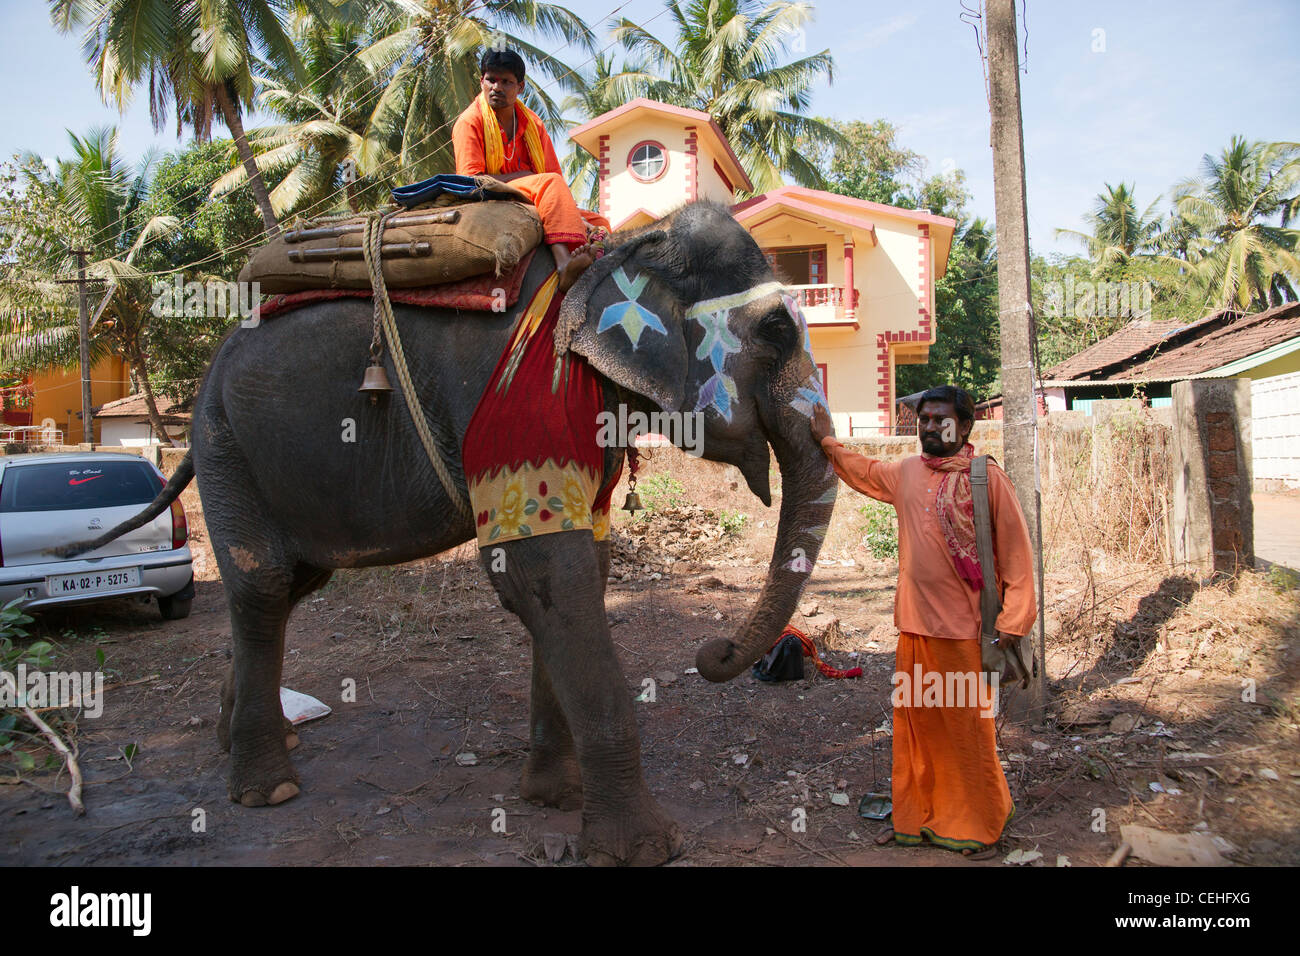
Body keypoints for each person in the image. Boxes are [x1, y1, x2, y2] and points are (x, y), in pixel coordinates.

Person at [810, 386, 1037, 859]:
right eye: (924, 420)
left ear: (966, 426)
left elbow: (1017, 555)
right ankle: (916, 820)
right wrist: (829, 442)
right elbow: (866, 472)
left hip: (965, 635)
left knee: (966, 736)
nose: (930, 427)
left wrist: (1014, 622)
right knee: (916, 731)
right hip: (914, 629)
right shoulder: (908, 473)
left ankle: (980, 826)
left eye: (940, 419)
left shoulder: (986, 478)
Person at [452, 48, 610, 292]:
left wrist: (577, 217)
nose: (497, 87)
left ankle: (595, 265)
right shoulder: (469, 121)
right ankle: (563, 263)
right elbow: (470, 180)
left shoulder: (533, 124)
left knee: (599, 221)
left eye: (506, 81)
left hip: (537, 196)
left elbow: (552, 172)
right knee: (550, 184)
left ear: (520, 87)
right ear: (481, 81)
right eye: (491, 79)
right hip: (493, 196)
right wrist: (523, 177)